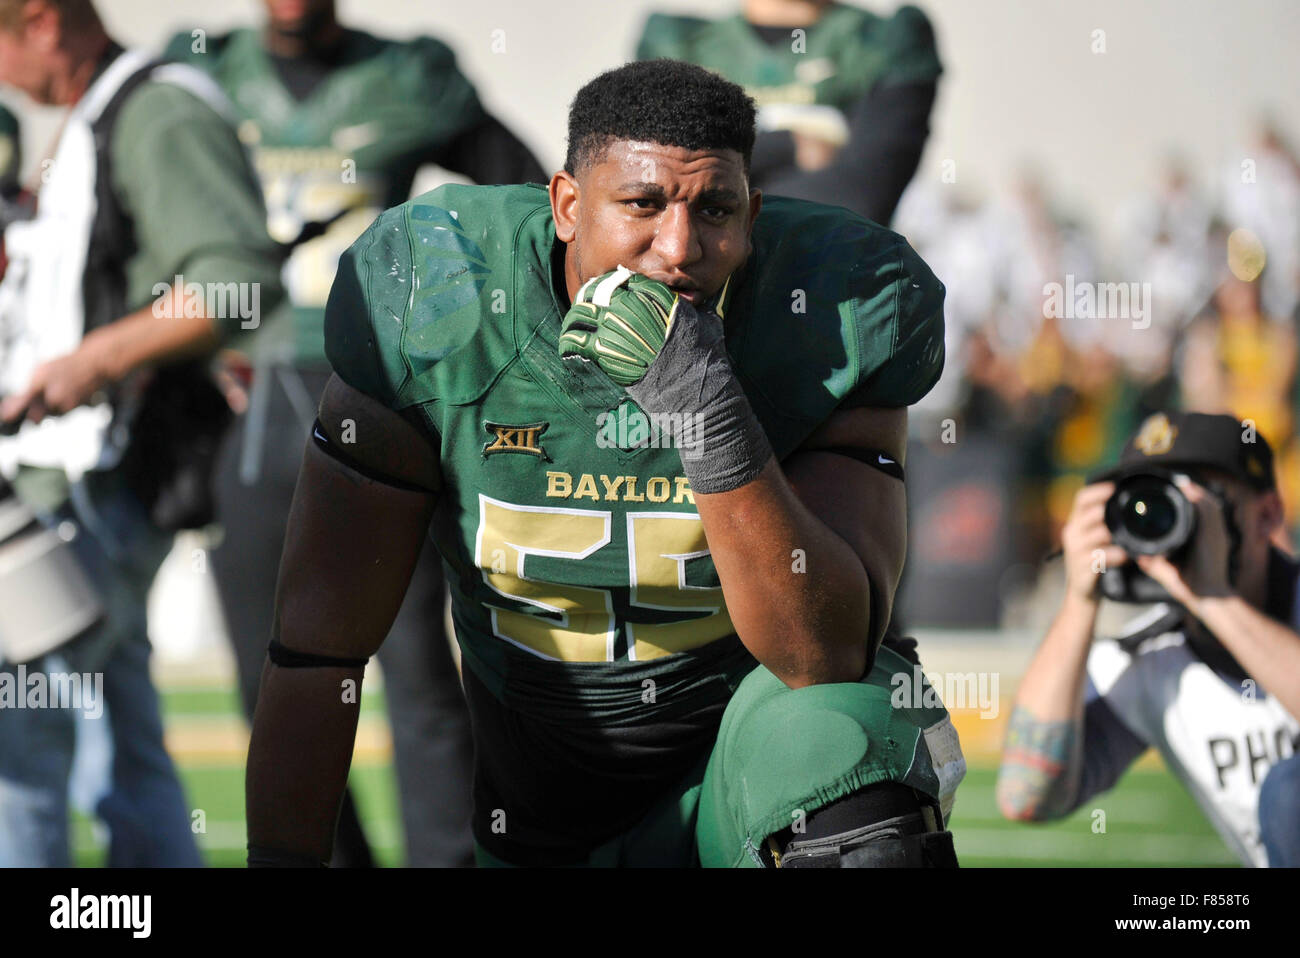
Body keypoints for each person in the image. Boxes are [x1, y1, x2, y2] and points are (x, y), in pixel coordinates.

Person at [245, 58, 963, 868]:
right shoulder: (439, 306)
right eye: (642, 204)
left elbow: (822, 655)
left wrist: (706, 412)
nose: (679, 247)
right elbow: (316, 651)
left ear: (752, 216)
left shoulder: (832, 306)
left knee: (840, 743)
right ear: (566, 206)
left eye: (715, 209)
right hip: (538, 811)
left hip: (740, 785)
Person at [164, 0, 547, 867]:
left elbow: (528, 202)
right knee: (273, 673)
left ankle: (447, 859)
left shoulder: (409, 75)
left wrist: (457, 331)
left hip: (366, 387)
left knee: (415, 668)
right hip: (243, 397)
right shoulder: (204, 72)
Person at [0, 0, 283, 865]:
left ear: (43, 23)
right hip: (80, 483)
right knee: (118, 744)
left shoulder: (155, 109)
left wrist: (95, 361)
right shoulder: (92, 118)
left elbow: (239, 282)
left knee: (20, 739)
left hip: (95, 482)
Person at [997, 411, 1300, 867]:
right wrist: (1081, 597)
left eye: (1199, 496)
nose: (1174, 516)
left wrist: (1214, 599)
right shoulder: (1150, 659)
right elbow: (1027, 795)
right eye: (1150, 498)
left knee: (1288, 794)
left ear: (1267, 515)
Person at [636, 0, 941, 227]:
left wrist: (720, 180)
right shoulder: (682, 42)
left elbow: (859, 199)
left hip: (835, 285)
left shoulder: (886, 42)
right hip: (704, 294)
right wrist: (791, 145)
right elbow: (663, 179)